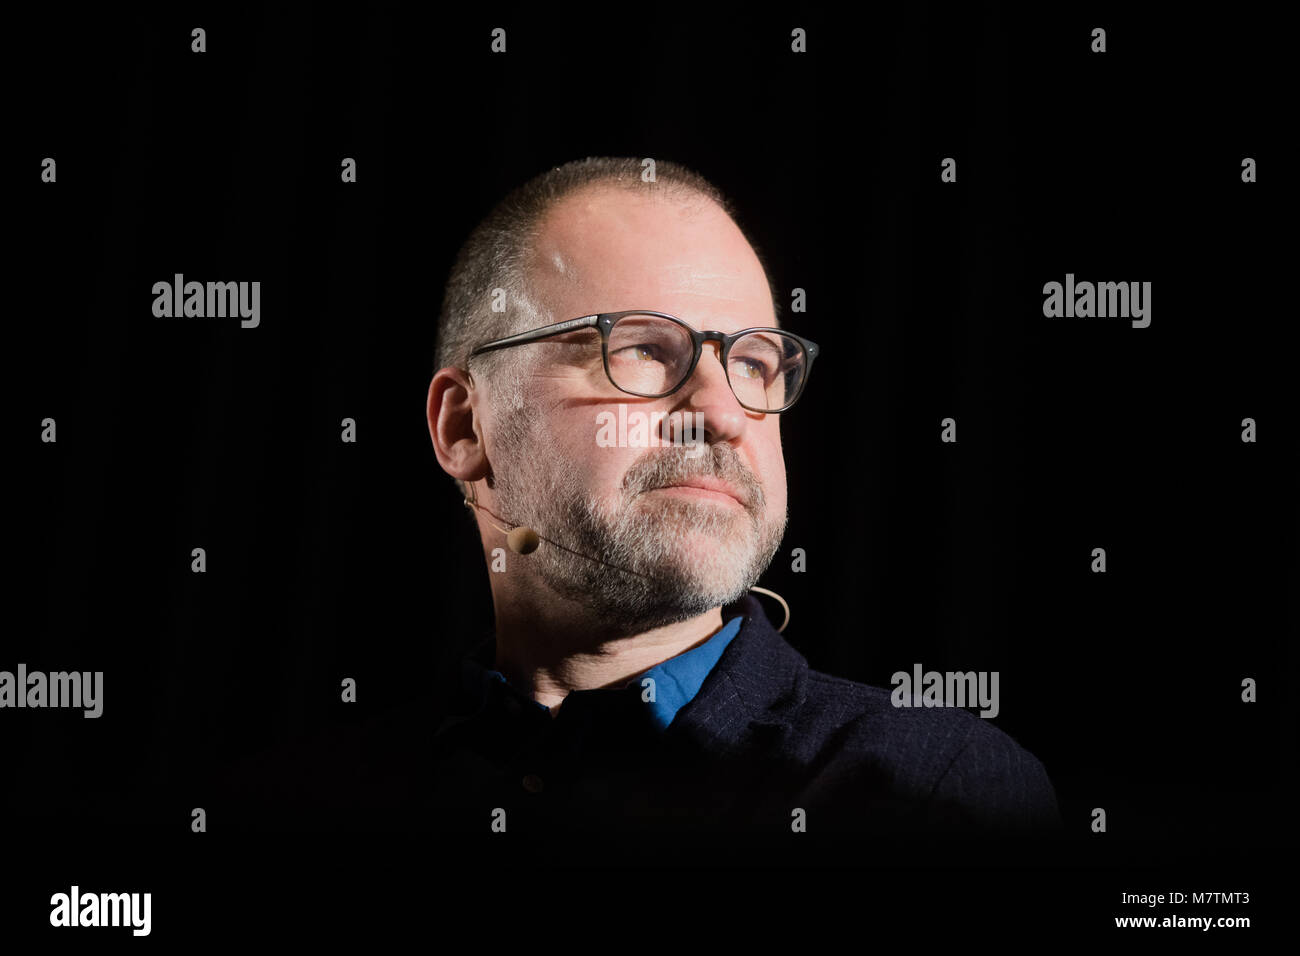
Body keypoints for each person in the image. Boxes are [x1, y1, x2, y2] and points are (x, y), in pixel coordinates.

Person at [417, 157, 1061, 846]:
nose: (722, 414)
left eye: (753, 363)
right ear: (465, 427)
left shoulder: (926, 794)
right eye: (640, 348)